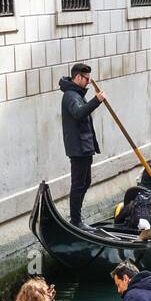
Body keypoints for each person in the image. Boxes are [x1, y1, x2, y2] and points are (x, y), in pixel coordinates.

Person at [58, 63, 107, 228]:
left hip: (84, 147)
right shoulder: (71, 95)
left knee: (85, 182)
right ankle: (76, 221)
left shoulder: (77, 93)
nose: (88, 82)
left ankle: (77, 217)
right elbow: (79, 113)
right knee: (78, 184)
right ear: (78, 77)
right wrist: (97, 100)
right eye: (86, 79)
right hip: (78, 149)